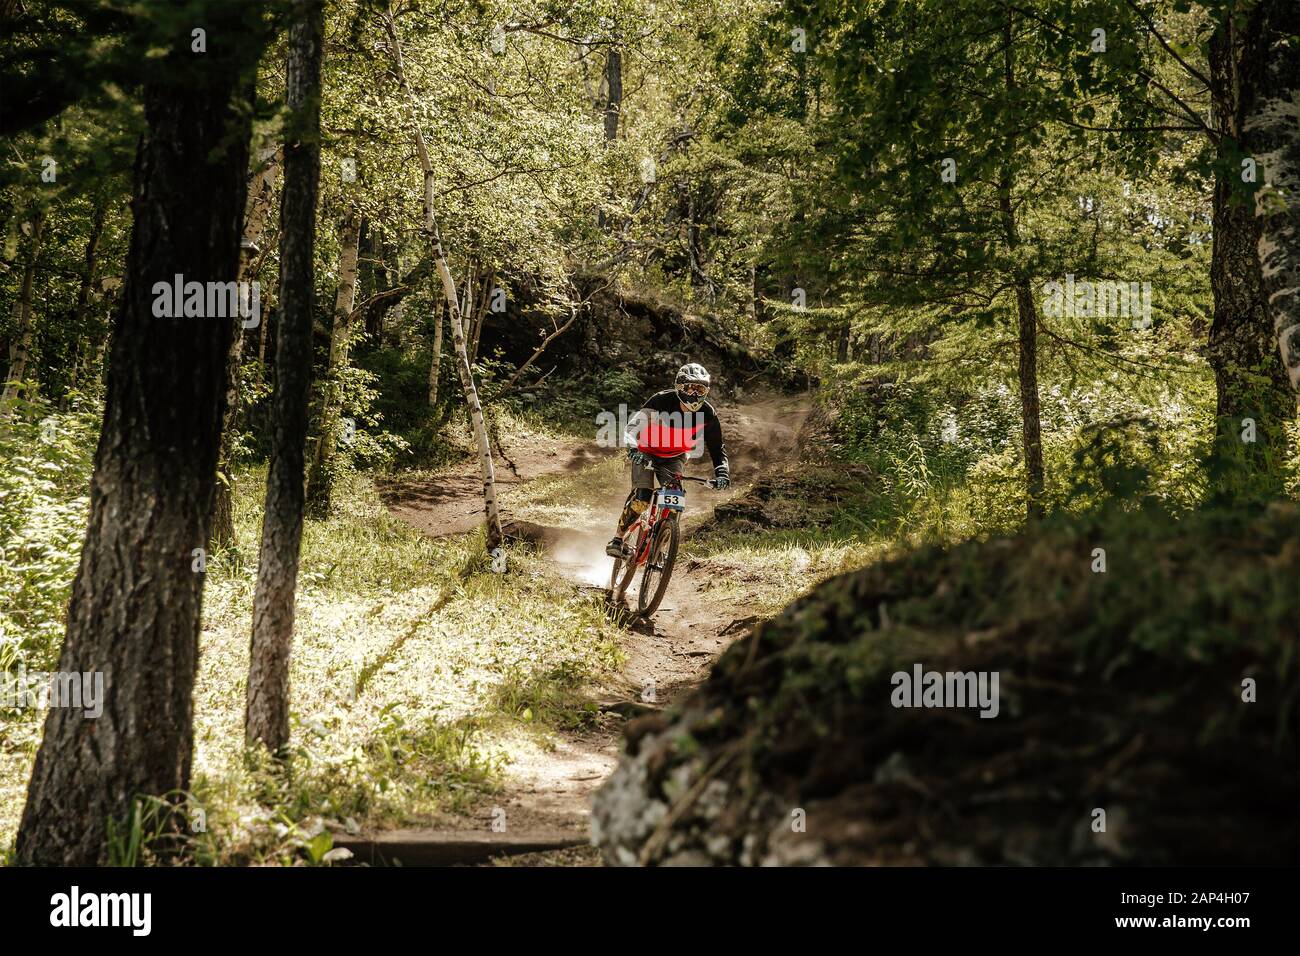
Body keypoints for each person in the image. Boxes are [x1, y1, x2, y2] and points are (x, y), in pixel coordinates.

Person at [606, 362, 730, 558]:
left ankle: (661, 545)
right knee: (642, 498)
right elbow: (632, 428)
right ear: (680, 387)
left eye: (701, 388)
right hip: (645, 452)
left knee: (674, 503)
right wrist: (633, 447)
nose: (696, 394)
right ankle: (618, 538)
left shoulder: (707, 413)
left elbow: (717, 448)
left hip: (675, 457)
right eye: (691, 387)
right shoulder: (661, 400)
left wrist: (722, 472)